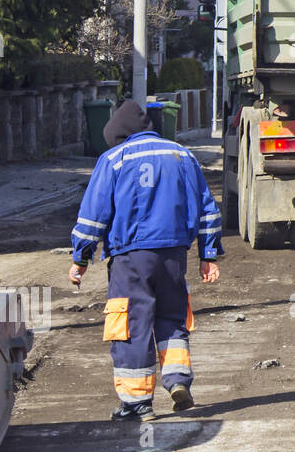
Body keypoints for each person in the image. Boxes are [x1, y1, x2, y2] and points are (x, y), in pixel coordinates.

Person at [68, 101, 224, 421]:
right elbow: (207, 210)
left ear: (119, 135)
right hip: (174, 257)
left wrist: (81, 258)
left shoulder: (112, 159)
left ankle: (138, 404)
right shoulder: (183, 155)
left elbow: (93, 218)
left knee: (131, 326)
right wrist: (208, 254)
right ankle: (178, 381)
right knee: (172, 317)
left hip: (131, 259)